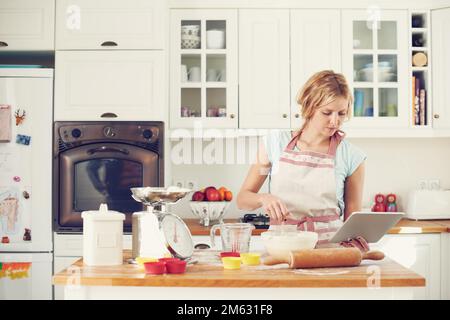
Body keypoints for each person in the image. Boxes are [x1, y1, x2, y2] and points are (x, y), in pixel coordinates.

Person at [237, 70, 367, 249]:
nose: (335, 121)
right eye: (327, 112)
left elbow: (353, 224)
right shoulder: (274, 143)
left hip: (329, 252)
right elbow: (243, 199)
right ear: (310, 107)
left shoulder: (352, 156)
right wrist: (263, 198)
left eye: (341, 113)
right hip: (283, 249)